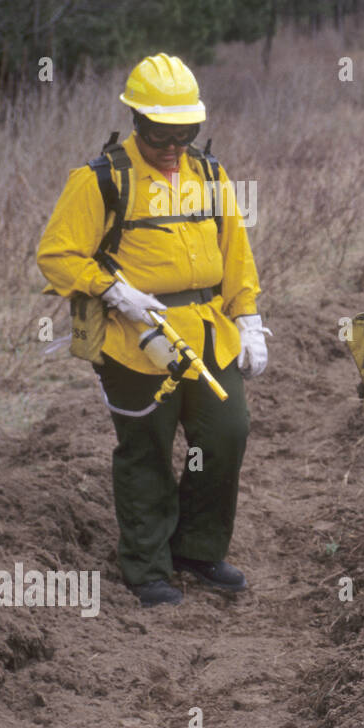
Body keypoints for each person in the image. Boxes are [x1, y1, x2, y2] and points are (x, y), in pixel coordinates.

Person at [37, 53, 266, 608]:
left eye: (185, 132)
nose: (173, 145)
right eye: (162, 133)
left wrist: (251, 320)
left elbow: (236, 255)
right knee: (146, 450)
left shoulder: (209, 174)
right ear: (137, 121)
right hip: (137, 340)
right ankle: (147, 566)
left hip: (210, 332)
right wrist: (113, 291)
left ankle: (198, 548)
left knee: (225, 434)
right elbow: (57, 256)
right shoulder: (101, 179)